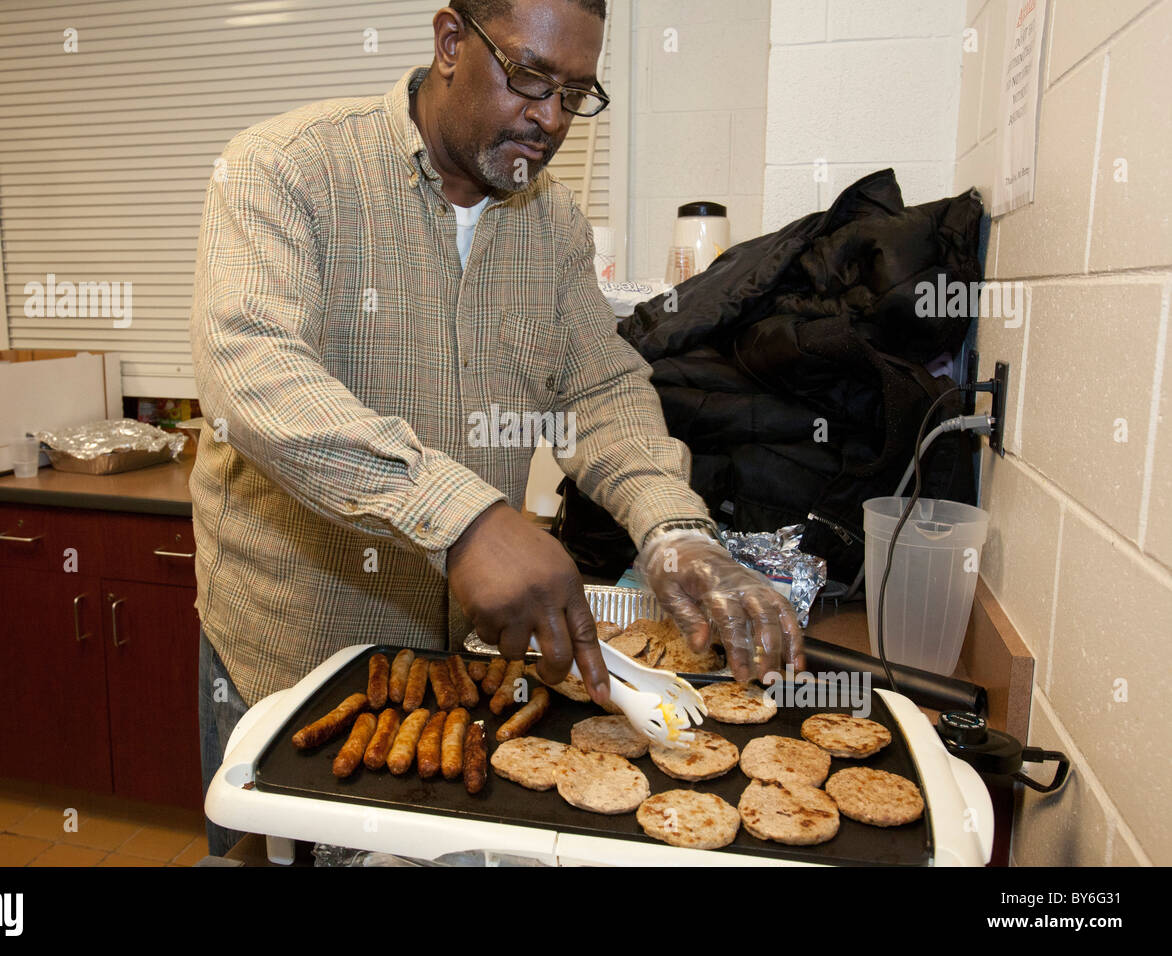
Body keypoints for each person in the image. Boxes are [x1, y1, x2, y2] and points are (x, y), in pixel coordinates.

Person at [190, 0, 802, 856]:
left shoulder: (549, 225)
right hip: (292, 652)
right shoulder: (286, 169)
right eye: (530, 78)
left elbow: (601, 386)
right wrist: (464, 517)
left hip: (466, 671)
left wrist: (672, 527)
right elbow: (250, 370)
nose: (551, 120)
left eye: (576, 94)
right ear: (450, 42)